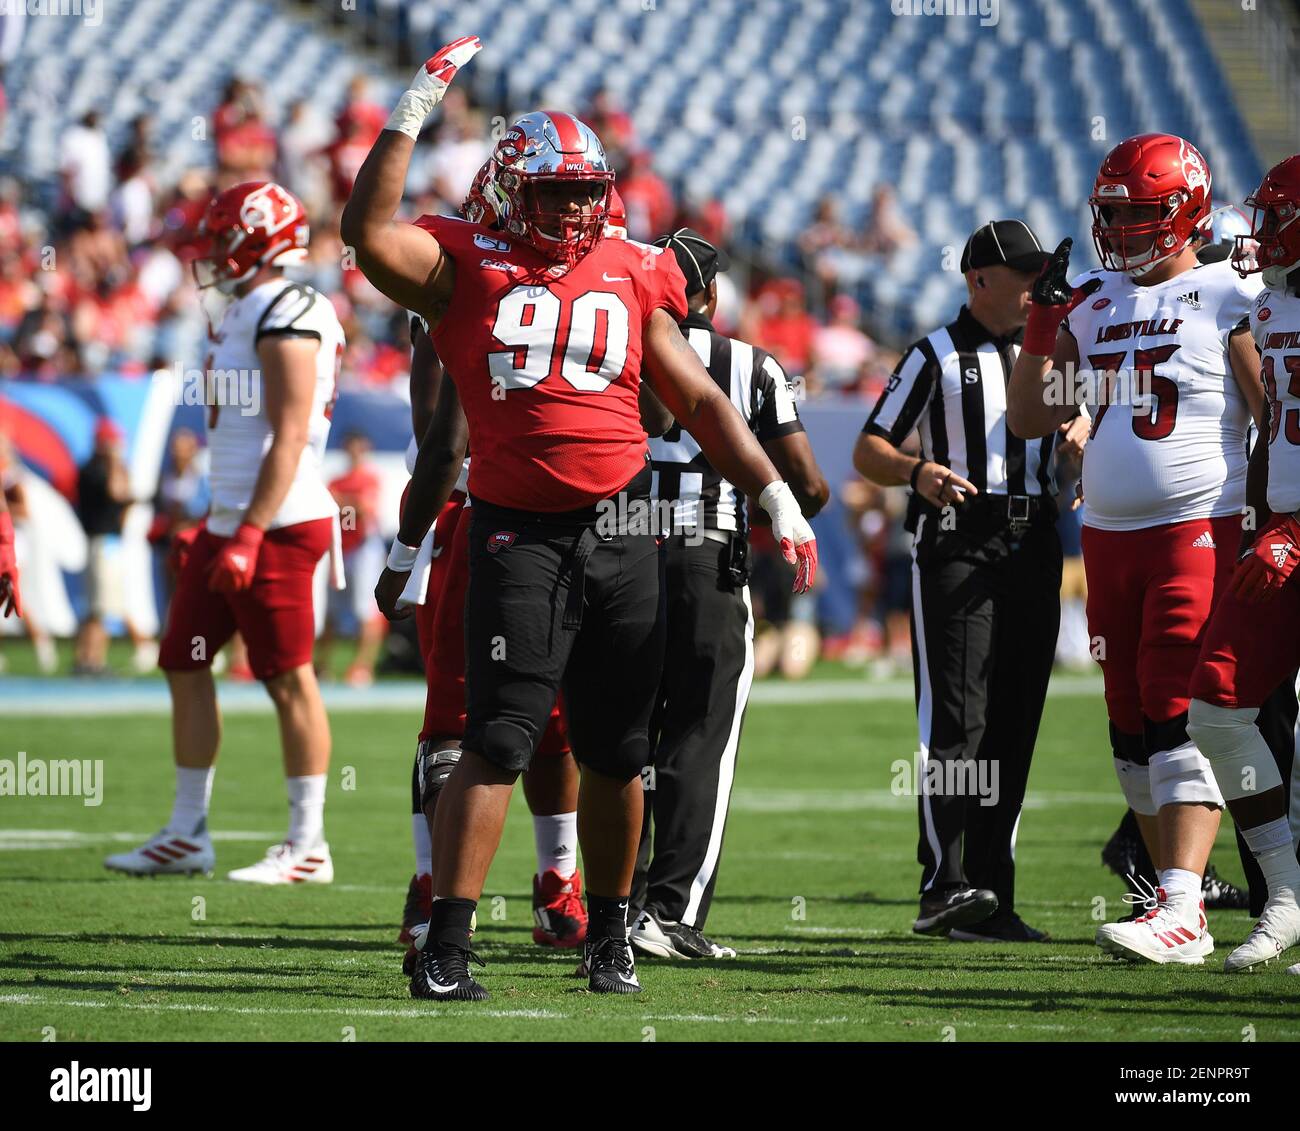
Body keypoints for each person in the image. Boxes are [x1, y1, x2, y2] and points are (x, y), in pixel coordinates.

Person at [343, 37, 816, 1000]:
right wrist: (412, 108)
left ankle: (609, 934)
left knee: (617, 750)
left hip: (624, 528)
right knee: (501, 736)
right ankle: (448, 943)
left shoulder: (635, 267)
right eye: (552, 192)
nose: (570, 207)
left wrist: (773, 497)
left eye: (583, 190)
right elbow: (366, 231)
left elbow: (702, 401)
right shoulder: (462, 262)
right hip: (518, 531)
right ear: (510, 190)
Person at [1008, 134, 1266, 965]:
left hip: (1202, 521)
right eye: (1110, 213)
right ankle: (1172, 901)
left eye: (1137, 213)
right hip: (1110, 538)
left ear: (1185, 211)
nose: (1118, 230)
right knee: (1127, 721)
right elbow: (1031, 416)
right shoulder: (1091, 301)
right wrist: (1044, 320)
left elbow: (1270, 412)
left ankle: (1185, 907)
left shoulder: (1231, 293)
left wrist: (1271, 519)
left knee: (1172, 698)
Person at [105, 181, 346, 884]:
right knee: (183, 659)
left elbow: (291, 433)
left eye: (220, 239)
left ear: (255, 241)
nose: (209, 253)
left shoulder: (289, 307)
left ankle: (308, 842)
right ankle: (187, 832)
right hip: (233, 516)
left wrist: (246, 532)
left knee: (287, 678)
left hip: (277, 520)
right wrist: (216, 522)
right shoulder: (248, 306)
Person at [856, 219, 1074, 942]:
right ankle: (944, 883)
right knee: (957, 720)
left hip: (1035, 539)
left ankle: (992, 894)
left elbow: (1091, 417)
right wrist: (916, 472)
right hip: (958, 540)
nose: (1037, 286)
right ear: (979, 278)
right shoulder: (934, 354)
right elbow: (869, 447)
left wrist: (1084, 430)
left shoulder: (1052, 351)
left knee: (1015, 721)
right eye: (1024, 274)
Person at [629, 228, 829, 960]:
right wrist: (792, 504)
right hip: (706, 555)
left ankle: (609, 905)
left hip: (617, 553)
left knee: (623, 737)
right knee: (699, 738)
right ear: (710, 297)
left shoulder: (613, 345)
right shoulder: (750, 364)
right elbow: (806, 483)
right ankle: (669, 910)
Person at [1185, 154, 1300, 971]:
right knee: (1217, 707)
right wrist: (1261, 513)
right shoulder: (1270, 309)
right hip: (1278, 535)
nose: (1258, 233)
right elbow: (1272, 425)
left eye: (1274, 215)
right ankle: (1288, 896)